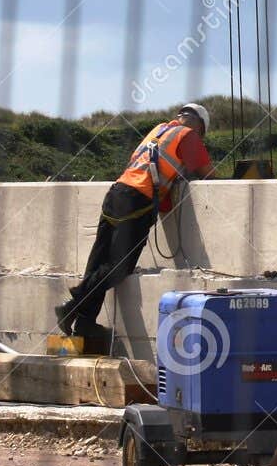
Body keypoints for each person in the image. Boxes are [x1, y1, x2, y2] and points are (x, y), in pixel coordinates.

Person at [57, 104, 215, 337]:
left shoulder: (159, 130)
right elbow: (208, 174)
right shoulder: (188, 135)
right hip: (137, 201)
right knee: (120, 266)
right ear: (199, 125)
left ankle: (84, 323)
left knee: (98, 260)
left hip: (116, 193)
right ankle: (72, 305)